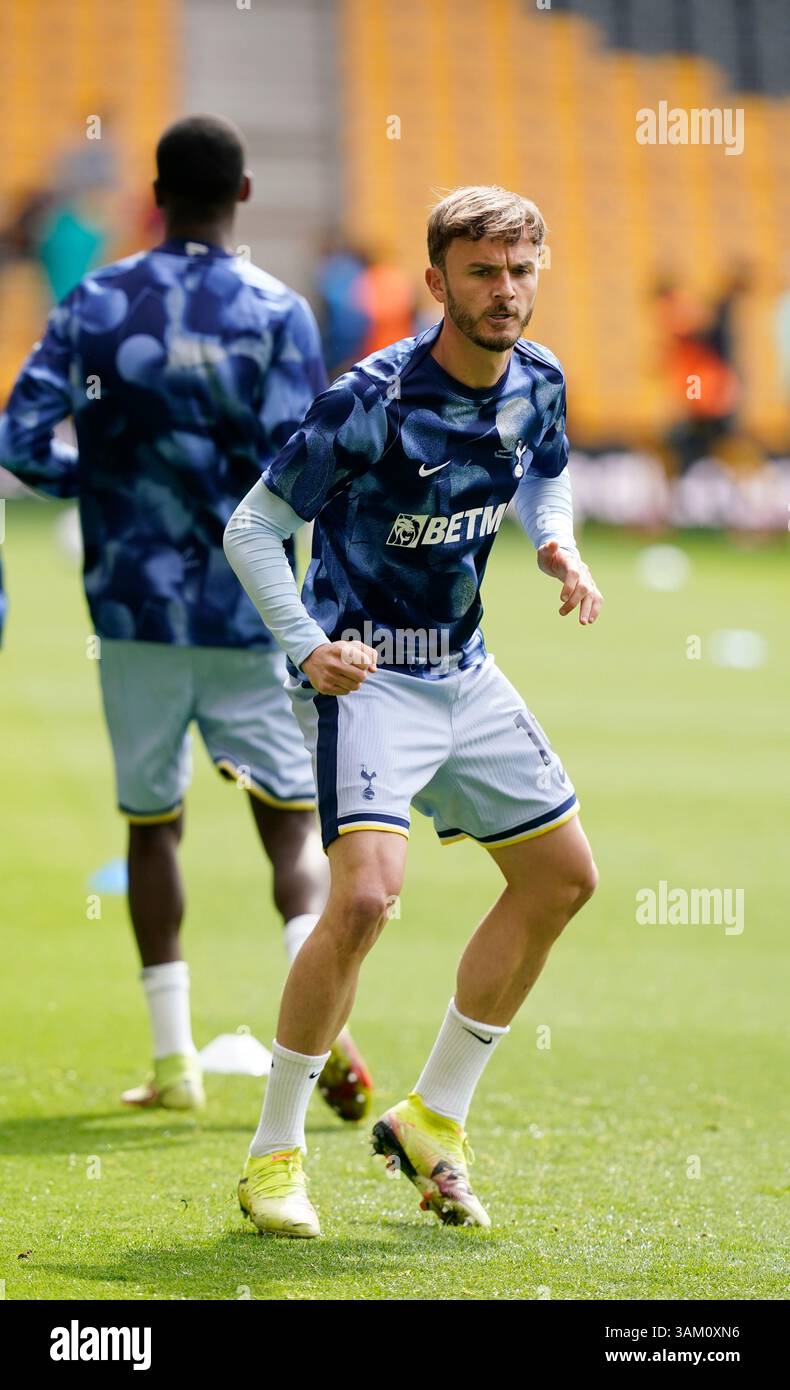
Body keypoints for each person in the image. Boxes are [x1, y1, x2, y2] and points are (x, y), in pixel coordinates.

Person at [224, 184, 602, 1237]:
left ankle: (434, 1114)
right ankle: (272, 1158)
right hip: (370, 676)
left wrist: (552, 540)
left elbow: (547, 474)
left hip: (466, 671)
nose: (505, 291)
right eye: (482, 271)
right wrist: (307, 647)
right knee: (362, 903)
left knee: (563, 878)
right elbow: (251, 530)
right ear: (435, 282)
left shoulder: (540, 380)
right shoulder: (370, 399)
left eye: (521, 270)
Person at [0, 114, 372, 1122]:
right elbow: (310, 461)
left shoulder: (95, 300)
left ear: (154, 197)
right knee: (287, 827)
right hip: (254, 610)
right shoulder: (277, 311)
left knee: (150, 823)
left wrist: (106, 484)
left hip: (130, 605)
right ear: (242, 194)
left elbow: (22, 440)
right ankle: (323, 1023)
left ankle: (174, 1063)